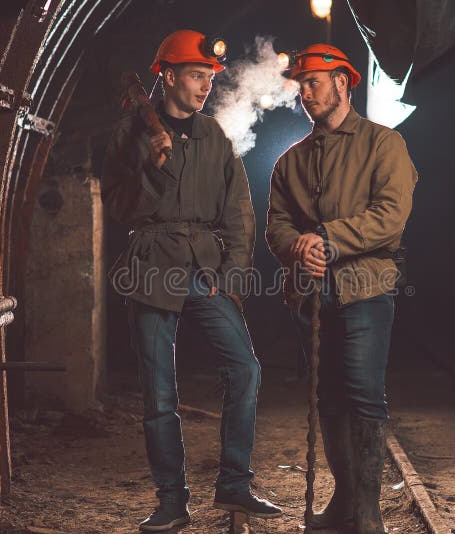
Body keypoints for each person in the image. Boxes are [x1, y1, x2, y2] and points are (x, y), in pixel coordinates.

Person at [101, 29, 282, 531]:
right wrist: (153, 171)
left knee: (245, 369)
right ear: (168, 75)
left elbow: (239, 212)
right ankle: (171, 502)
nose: (206, 86)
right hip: (151, 264)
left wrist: (233, 275)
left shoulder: (213, 136)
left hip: (205, 269)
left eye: (209, 77)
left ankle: (234, 486)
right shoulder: (130, 134)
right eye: (197, 75)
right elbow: (118, 207)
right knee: (159, 393)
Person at [265, 43, 418, 533]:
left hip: (366, 291)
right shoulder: (290, 161)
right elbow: (277, 226)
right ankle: (347, 500)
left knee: (364, 394)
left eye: (313, 81)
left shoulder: (383, 145)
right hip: (311, 295)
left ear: (342, 83)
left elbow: (390, 218)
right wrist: (298, 248)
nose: (304, 92)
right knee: (327, 397)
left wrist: (327, 239)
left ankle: (369, 513)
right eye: (300, 84)